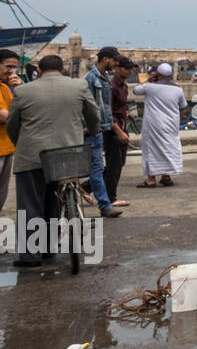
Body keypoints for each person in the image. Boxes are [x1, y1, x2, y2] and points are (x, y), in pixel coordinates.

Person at [6, 56, 104, 265]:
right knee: (54, 202)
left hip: (31, 155)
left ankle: (31, 256)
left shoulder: (23, 91)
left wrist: (20, 144)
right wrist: (93, 132)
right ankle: (49, 248)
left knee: (30, 205)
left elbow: (13, 124)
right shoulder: (78, 85)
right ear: (63, 69)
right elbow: (94, 114)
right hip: (68, 154)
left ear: (39, 71)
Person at [133, 63, 187, 188]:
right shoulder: (178, 89)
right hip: (171, 125)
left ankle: (151, 179)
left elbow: (136, 90)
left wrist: (147, 79)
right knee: (168, 149)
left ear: (157, 74)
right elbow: (183, 107)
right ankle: (166, 176)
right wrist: (178, 122)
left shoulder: (150, 87)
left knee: (151, 149)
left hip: (153, 124)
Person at [83, 47, 120, 215]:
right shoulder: (90, 78)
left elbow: (105, 106)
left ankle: (103, 203)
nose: (116, 64)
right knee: (97, 169)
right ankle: (105, 206)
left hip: (101, 127)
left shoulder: (104, 78)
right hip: (93, 130)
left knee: (97, 168)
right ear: (105, 59)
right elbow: (87, 105)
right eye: (114, 60)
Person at [105, 56, 133, 207]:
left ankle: (85, 187)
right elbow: (107, 112)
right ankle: (111, 198)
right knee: (114, 166)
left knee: (118, 163)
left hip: (122, 127)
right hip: (113, 130)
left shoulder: (124, 86)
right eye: (125, 68)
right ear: (117, 68)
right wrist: (118, 132)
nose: (128, 71)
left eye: (130, 68)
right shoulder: (111, 86)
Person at [0, 48, 18, 213]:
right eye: (8, 66)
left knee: (2, 193)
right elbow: (5, 116)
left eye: (14, 67)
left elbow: (23, 110)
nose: (11, 71)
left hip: (7, 147)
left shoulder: (6, 88)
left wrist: (20, 89)